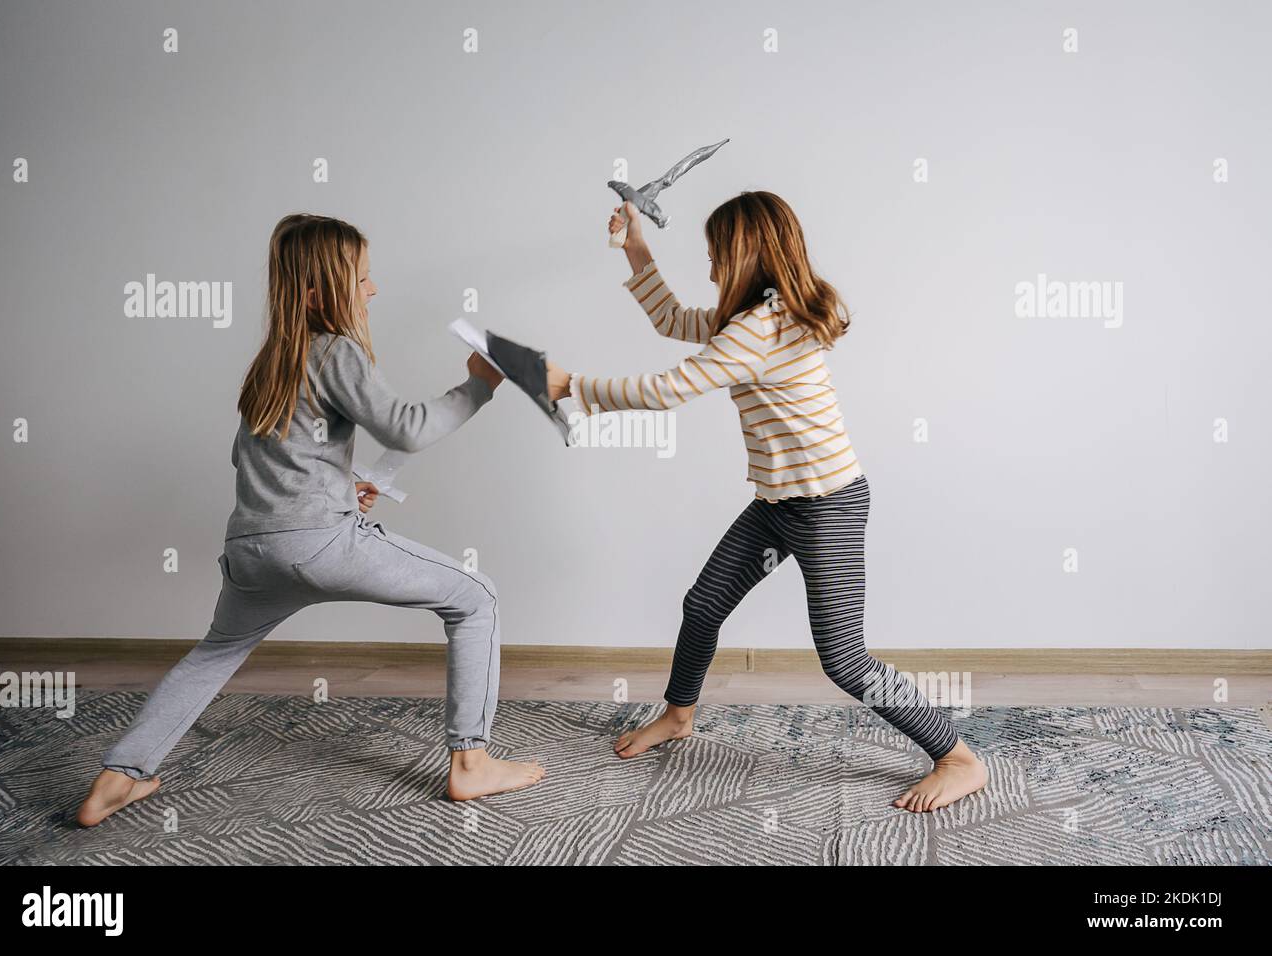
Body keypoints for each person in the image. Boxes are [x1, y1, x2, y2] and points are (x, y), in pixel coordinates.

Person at [78, 214, 545, 826]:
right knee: (476, 597)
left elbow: (263, 461)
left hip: (252, 549)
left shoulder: (270, 363)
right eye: (361, 278)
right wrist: (477, 385)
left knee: (214, 654)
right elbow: (405, 425)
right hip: (318, 545)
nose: (372, 291)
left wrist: (346, 490)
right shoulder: (337, 350)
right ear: (318, 290)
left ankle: (118, 778)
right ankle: (472, 763)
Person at [545, 194, 987, 812]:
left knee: (845, 660)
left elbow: (670, 389)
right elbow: (671, 319)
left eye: (716, 257)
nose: (709, 270)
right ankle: (678, 715)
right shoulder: (758, 314)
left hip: (828, 505)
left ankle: (958, 757)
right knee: (703, 606)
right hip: (781, 504)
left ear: (747, 256)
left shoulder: (758, 328)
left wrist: (572, 386)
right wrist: (635, 244)